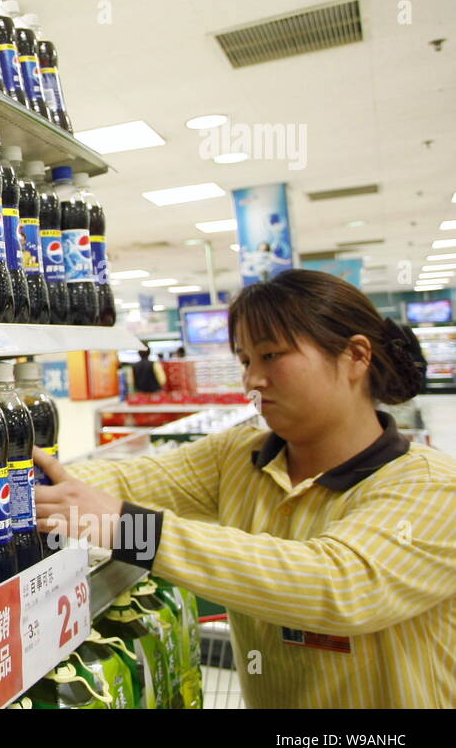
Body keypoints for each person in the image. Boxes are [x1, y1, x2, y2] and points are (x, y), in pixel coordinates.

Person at [35, 269, 456, 707]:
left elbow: (339, 586)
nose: (253, 380)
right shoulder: (237, 459)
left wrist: (128, 529)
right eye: (245, 361)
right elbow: (121, 480)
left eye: (272, 355)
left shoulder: (431, 488)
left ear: (355, 356)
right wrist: (7, 480)